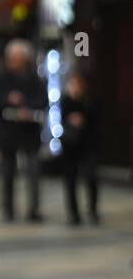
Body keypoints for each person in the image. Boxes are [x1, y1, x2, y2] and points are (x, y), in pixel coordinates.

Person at [0, 39, 47, 222]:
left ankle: (34, 209)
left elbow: (43, 100)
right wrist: (8, 99)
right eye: (11, 57)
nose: (13, 61)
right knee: (7, 172)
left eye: (17, 57)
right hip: (8, 132)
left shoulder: (35, 78)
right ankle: (8, 209)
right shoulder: (1, 77)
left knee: (33, 172)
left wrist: (27, 109)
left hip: (29, 131)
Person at [60, 71, 100, 226]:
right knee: (70, 179)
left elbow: (95, 117)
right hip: (70, 145)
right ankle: (73, 213)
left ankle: (93, 210)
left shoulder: (91, 99)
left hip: (88, 144)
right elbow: (63, 116)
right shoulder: (66, 100)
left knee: (91, 177)